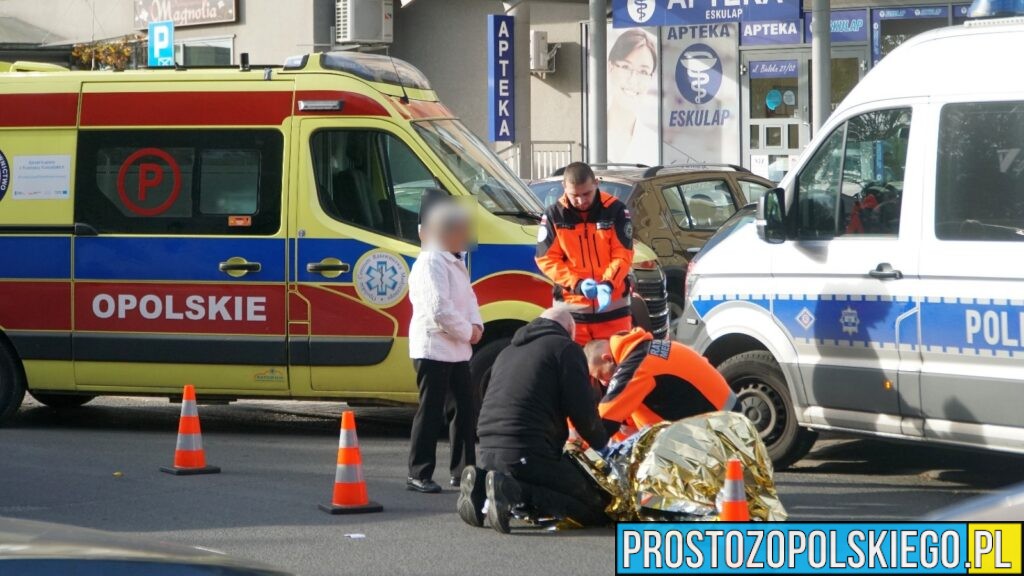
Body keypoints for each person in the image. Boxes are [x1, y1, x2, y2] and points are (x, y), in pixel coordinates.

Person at [457, 306, 611, 534]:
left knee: (540, 475)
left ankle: (480, 483)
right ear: (569, 329)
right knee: (596, 506)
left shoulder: (507, 352)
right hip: (528, 449)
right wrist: (602, 443)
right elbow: (582, 411)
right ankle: (513, 490)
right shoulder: (564, 349)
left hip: (488, 451)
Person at [406, 200, 483, 494]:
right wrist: (468, 332)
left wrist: (477, 327)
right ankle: (418, 473)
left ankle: (464, 472)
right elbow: (438, 308)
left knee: (464, 410)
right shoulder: (431, 260)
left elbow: (470, 298)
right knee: (431, 411)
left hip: (456, 349)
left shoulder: (455, 258)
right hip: (433, 347)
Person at [535, 162, 635, 346]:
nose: (581, 201)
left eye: (586, 194)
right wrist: (577, 284)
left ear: (596, 183)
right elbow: (547, 259)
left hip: (614, 311)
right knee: (574, 371)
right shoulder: (554, 215)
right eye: (575, 196)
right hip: (572, 313)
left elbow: (623, 254)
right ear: (564, 187)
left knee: (614, 369)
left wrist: (607, 283)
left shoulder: (616, 210)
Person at [584, 328, 737, 433]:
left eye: (600, 376)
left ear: (607, 358)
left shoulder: (635, 365)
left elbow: (605, 419)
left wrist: (582, 443)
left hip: (719, 425)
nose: (604, 383)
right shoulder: (645, 348)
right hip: (724, 415)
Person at [607, 28, 660, 165]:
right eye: (625, 67)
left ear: (650, 78)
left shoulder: (654, 143)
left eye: (643, 71)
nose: (633, 80)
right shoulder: (589, 133)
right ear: (610, 67)